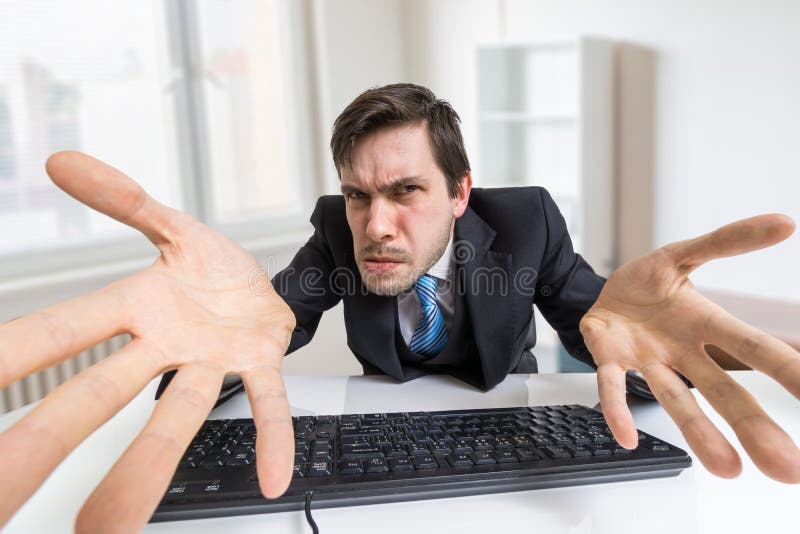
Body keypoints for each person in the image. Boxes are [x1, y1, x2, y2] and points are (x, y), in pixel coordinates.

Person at [0, 83, 798, 532]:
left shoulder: (528, 223)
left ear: (459, 193)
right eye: (357, 195)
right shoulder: (336, 234)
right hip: (387, 440)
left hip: (504, 419)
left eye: (406, 191)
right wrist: (188, 362)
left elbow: (602, 331)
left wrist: (660, 364)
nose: (375, 225)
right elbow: (266, 326)